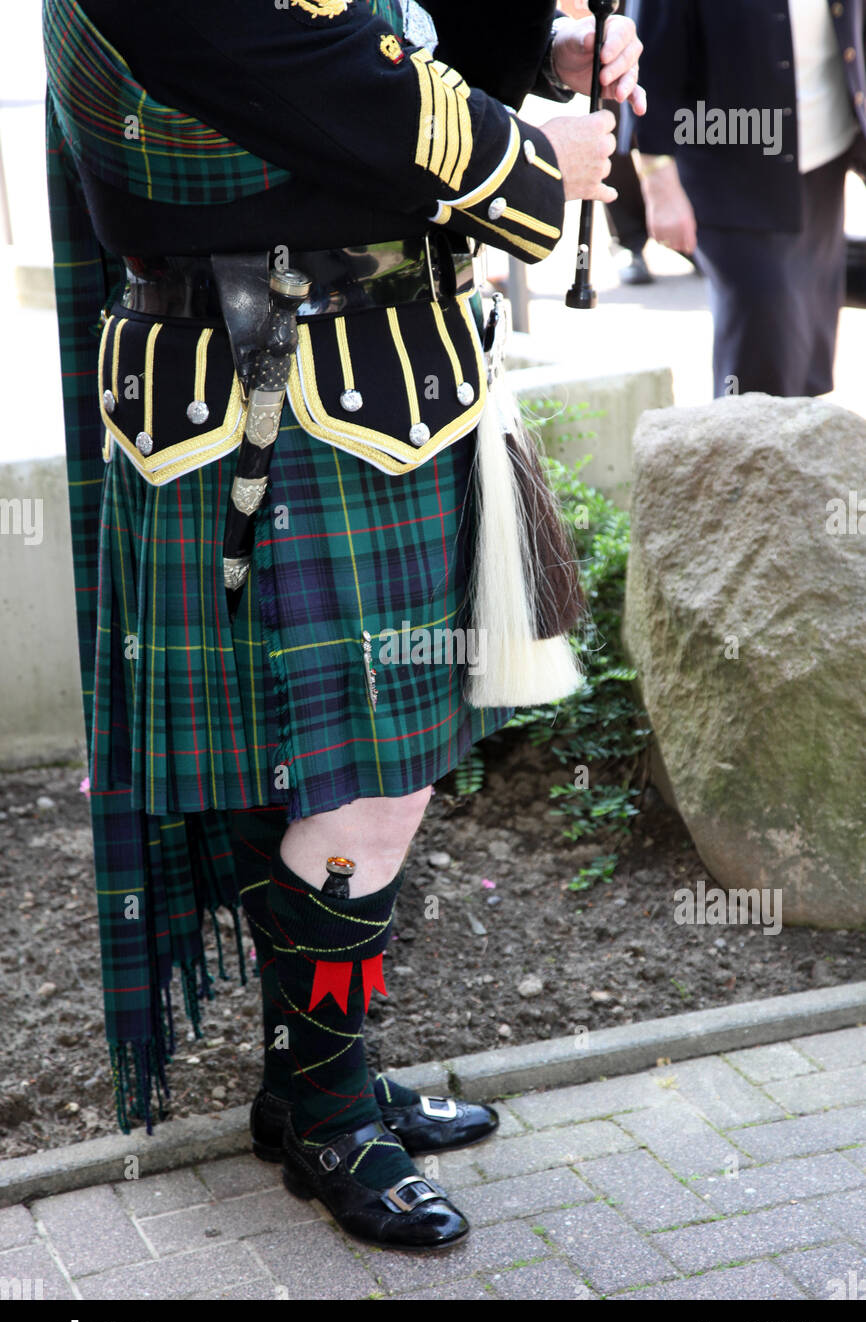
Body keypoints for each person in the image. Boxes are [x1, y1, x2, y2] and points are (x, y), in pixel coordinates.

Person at [43, 0, 643, 1252]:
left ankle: (312, 1082)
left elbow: (402, 33)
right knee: (360, 798)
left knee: (323, 792)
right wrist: (526, 154)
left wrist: (550, 45)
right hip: (270, 383)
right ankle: (326, 1111)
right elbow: (292, 62)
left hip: (371, 384)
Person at [625, 0, 866, 398]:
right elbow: (650, 59)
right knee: (758, 356)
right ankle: (743, 455)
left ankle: (793, 452)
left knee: (808, 350)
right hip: (729, 171)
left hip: (825, 161)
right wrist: (657, 183)